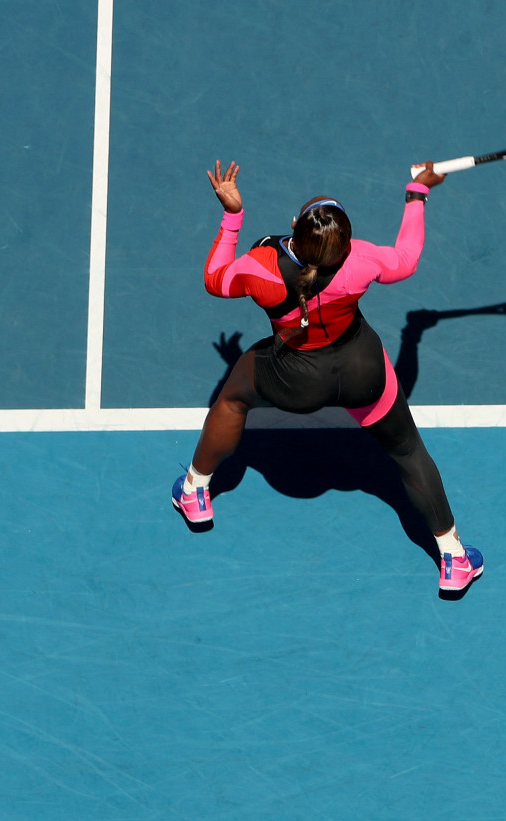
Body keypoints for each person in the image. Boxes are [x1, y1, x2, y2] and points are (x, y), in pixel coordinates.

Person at [177, 159, 483, 596]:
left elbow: (214, 279)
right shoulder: (361, 259)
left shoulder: (262, 266)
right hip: (361, 371)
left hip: (293, 379)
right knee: (408, 450)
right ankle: (453, 558)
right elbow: (407, 260)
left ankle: (195, 492)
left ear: (293, 230)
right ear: (343, 247)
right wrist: (417, 193)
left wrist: (232, 216)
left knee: (232, 399)